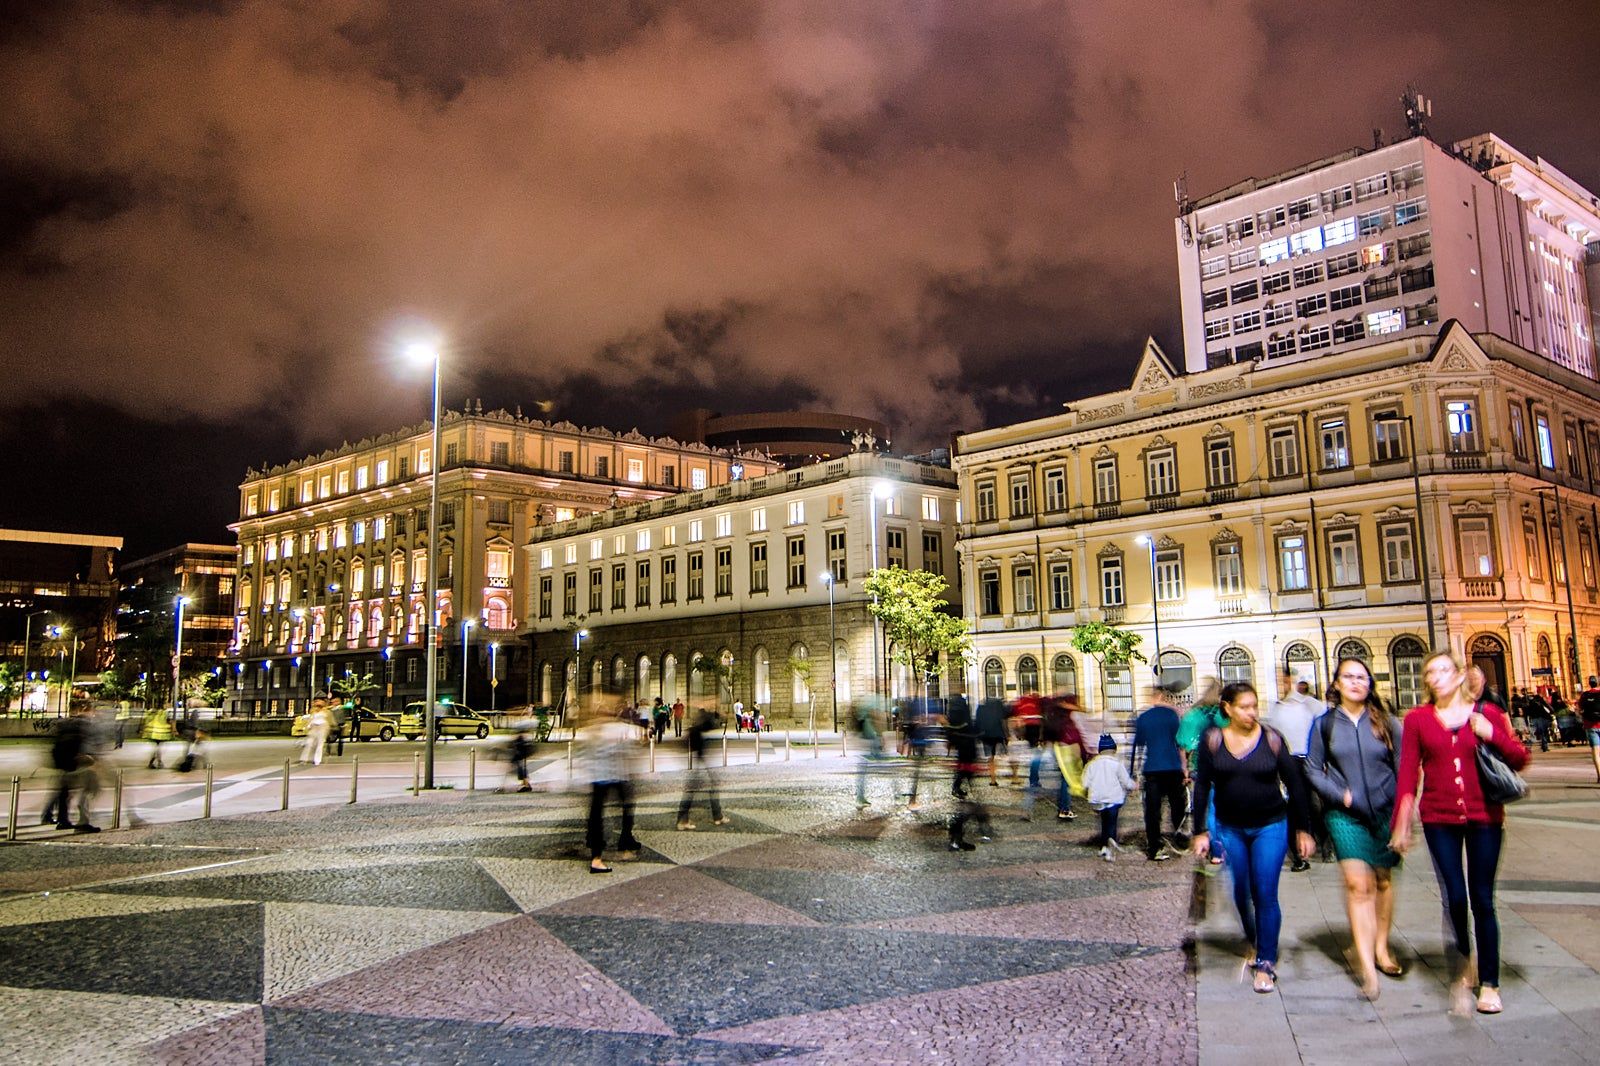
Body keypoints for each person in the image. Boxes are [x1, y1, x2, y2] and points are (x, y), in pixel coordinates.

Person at [1390, 650, 1529, 1016]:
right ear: (1427, 681)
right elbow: (1408, 772)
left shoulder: (1487, 714)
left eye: (1444, 669)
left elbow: (1519, 758)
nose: (1437, 676)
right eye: (1430, 672)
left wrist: (1493, 734)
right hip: (1438, 818)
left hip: (1485, 817)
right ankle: (1464, 962)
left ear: (1458, 675)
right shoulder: (1418, 719)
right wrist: (1402, 820)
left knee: (1482, 899)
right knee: (1454, 895)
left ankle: (1490, 982)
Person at [1192, 682, 1314, 994]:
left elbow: (1296, 785)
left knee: (1265, 892)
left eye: (1254, 705)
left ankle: (1266, 963)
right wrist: (1201, 831)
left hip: (1270, 825)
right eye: (1244, 707)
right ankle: (1254, 938)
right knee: (1240, 890)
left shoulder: (1271, 739)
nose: (1251, 712)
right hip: (1231, 827)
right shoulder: (1213, 740)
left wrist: (1303, 829)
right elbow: (1202, 786)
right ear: (1227, 708)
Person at [1306, 658, 1403, 1000]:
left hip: (1384, 813)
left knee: (1382, 880)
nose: (1355, 682)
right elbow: (1313, 769)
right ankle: (1366, 967)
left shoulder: (1387, 723)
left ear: (1370, 684)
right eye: (1348, 676)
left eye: (1362, 677)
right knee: (1356, 883)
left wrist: (1404, 814)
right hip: (1344, 814)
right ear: (1336, 683)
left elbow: (1404, 769)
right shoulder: (1324, 724)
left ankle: (1381, 947)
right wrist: (1340, 795)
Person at [582, 703, 644, 872]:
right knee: (626, 807)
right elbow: (630, 751)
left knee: (596, 814)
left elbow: (585, 755)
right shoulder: (618, 728)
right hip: (616, 776)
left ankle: (597, 853)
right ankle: (624, 843)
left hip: (598, 778)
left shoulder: (593, 730)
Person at [1130, 685, 1185, 861]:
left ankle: (1154, 845)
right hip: (1172, 766)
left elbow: (1138, 745)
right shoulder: (1172, 716)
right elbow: (1179, 741)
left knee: (1153, 810)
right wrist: (1185, 767)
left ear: (1154, 698)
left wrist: (1135, 772)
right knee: (1177, 804)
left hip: (1152, 768)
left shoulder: (1144, 717)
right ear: (1163, 696)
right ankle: (1179, 836)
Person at [1177, 679, 1228, 866]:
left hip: (1199, 767)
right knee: (1218, 810)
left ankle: (1212, 847)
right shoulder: (1224, 715)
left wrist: (1185, 769)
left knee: (1206, 809)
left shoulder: (1192, 716)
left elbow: (1183, 746)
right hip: (1223, 767)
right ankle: (1218, 848)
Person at [1084, 735, 1137, 861]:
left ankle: (1103, 846)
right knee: (1112, 823)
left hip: (1098, 800)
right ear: (1114, 750)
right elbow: (1126, 781)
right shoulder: (1117, 764)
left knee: (1104, 822)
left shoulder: (1092, 764)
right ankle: (1110, 849)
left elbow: (1085, 783)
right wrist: (1134, 785)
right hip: (1114, 799)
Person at [677, 707, 729, 829]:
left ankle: (717, 816)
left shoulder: (696, 724)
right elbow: (712, 724)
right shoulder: (700, 724)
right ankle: (683, 820)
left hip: (701, 762)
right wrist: (720, 715)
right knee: (695, 791)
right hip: (701, 764)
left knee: (705, 788)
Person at [975, 696, 1012, 786]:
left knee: (990, 758)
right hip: (998, 735)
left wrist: (978, 735)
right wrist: (1007, 735)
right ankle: (1012, 775)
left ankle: (993, 779)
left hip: (986, 735)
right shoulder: (998, 707)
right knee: (1002, 755)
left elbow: (977, 722)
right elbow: (1003, 721)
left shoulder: (981, 708)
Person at [1579, 677, 1600, 783]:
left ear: (1589, 684)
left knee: (1596, 752)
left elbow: (1580, 709)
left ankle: (1599, 775)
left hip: (1590, 726)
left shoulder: (1584, 695)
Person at [300, 698, 332, 766]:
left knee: (320, 744)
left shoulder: (326, 711)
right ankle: (304, 759)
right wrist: (308, 726)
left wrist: (328, 728)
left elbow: (329, 720)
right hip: (314, 727)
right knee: (309, 743)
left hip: (322, 727)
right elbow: (311, 719)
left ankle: (317, 760)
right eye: (316, 702)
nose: (318, 703)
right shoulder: (313, 710)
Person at [1522, 687, 1553, 752]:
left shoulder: (1530, 701)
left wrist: (1527, 717)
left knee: (1535, 733)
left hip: (1533, 718)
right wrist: (1551, 710)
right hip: (1541, 717)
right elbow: (1547, 706)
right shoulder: (1540, 700)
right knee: (1543, 732)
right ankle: (1544, 746)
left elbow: (1528, 710)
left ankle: (1531, 747)